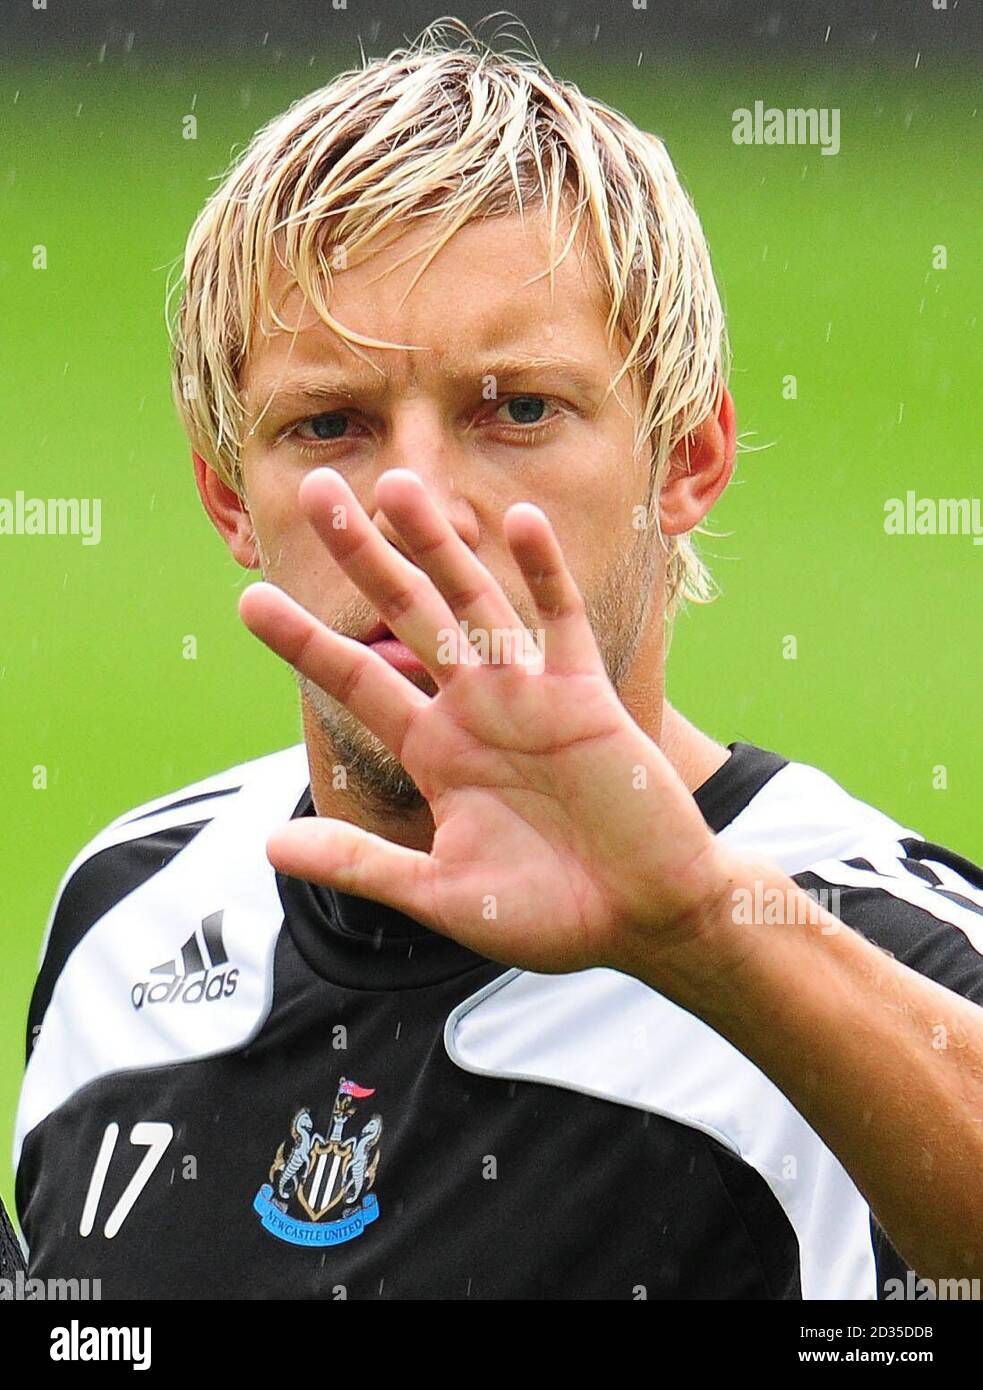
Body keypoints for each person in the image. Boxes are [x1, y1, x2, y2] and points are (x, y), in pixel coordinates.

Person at [13, 20, 983, 1299]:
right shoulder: (124, 910)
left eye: (517, 408)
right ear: (226, 496)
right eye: (329, 425)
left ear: (685, 459)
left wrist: (696, 928)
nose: (413, 505)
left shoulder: (874, 950)